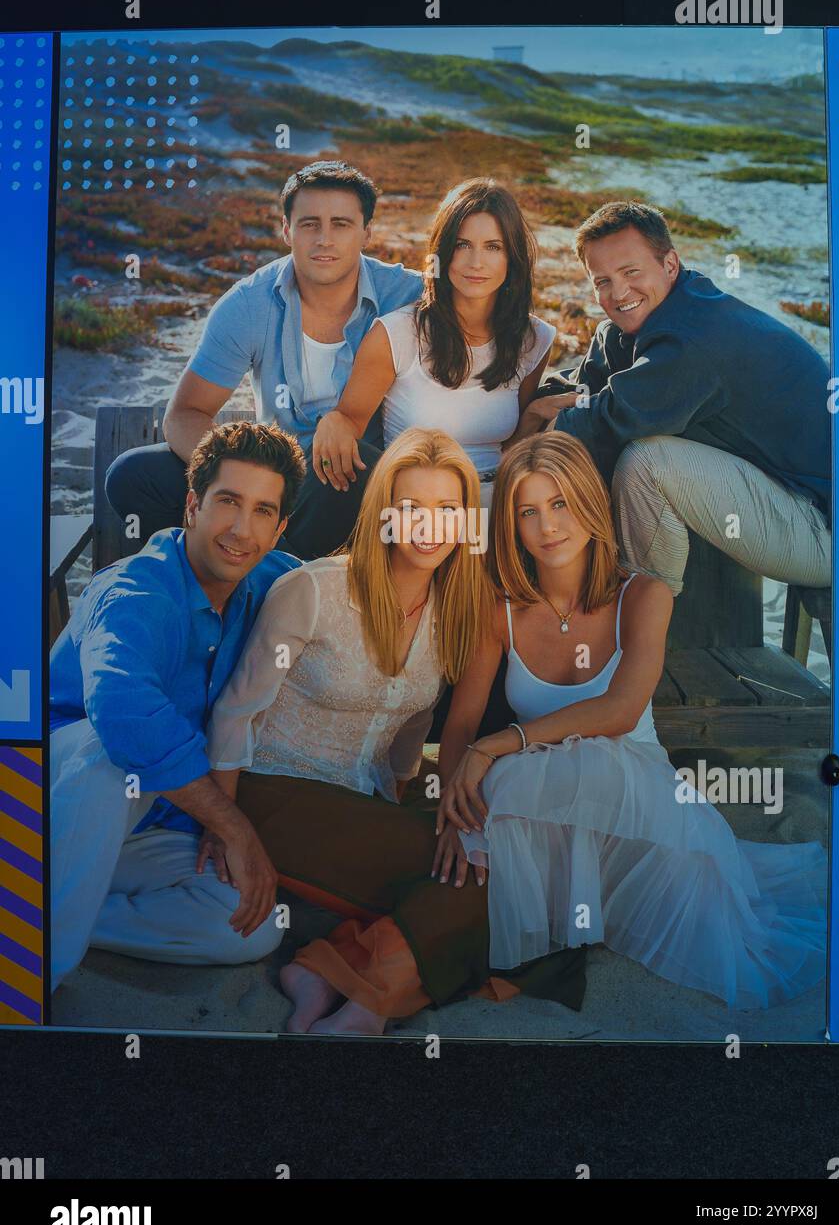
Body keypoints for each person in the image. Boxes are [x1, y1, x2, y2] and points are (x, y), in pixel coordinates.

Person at [203, 428, 587, 1035]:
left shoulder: (453, 611)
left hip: (368, 799)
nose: (428, 527)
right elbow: (234, 713)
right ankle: (362, 999)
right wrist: (226, 830)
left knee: (513, 844)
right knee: (486, 879)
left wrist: (425, 809)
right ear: (384, 514)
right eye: (411, 510)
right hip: (272, 794)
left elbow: (412, 737)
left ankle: (320, 974)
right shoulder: (314, 592)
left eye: (446, 511)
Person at [442, 432, 827, 1010]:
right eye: (529, 511)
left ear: (592, 506)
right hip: (544, 810)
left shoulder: (643, 593)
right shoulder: (500, 610)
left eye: (562, 503)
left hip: (634, 801)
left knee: (569, 760)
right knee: (499, 789)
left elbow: (619, 713)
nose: (548, 526)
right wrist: (452, 810)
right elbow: (458, 726)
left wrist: (500, 744)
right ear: (511, 525)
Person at [49, 422, 306, 991]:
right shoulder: (136, 592)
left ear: (281, 527)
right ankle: (35, 972)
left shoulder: (274, 583)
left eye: (264, 511)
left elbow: (347, 593)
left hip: (152, 828)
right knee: (108, 754)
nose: (242, 530)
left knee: (246, 925)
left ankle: (59, 914)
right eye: (228, 502)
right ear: (192, 504)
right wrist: (232, 824)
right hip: (51, 805)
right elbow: (123, 711)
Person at [103, 160, 423, 559]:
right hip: (277, 474)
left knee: (352, 469)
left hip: (360, 488)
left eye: (341, 224)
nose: (324, 239)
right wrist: (243, 477)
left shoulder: (409, 296)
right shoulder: (248, 304)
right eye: (309, 224)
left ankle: (250, 583)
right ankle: (271, 579)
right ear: (286, 230)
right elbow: (184, 415)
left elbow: (492, 326)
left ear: (366, 232)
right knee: (134, 475)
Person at [515, 201, 831, 599]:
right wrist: (540, 405)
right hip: (775, 492)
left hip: (826, 526)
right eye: (602, 281)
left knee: (646, 463)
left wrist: (526, 433)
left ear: (670, 264)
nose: (618, 293)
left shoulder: (696, 337)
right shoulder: (641, 323)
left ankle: (640, 622)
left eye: (631, 272)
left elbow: (602, 423)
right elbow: (581, 389)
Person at [310, 178, 556, 539]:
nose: (476, 262)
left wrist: (533, 416)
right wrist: (334, 420)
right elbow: (351, 422)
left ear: (512, 258)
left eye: (493, 247)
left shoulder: (536, 339)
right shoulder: (396, 334)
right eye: (462, 245)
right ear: (443, 252)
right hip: (414, 511)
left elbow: (509, 450)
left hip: (496, 504)